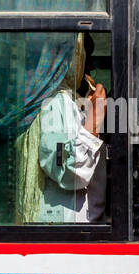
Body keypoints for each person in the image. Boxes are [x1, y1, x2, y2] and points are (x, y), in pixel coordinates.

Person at [14, 32, 108, 223]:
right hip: (67, 233)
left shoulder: (73, 102)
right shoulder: (56, 103)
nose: (90, 67)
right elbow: (71, 173)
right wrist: (93, 121)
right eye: (85, 57)